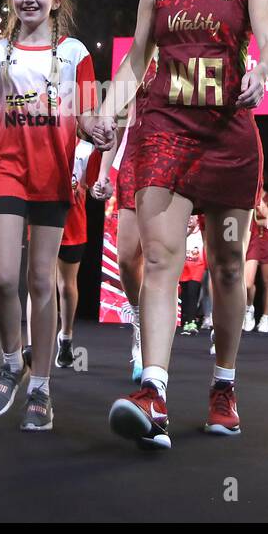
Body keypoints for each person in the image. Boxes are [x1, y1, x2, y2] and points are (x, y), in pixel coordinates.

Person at [95, 0, 268, 449]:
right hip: (165, 133)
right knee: (160, 259)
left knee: (228, 267)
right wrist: (107, 108)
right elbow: (135, 59)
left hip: (229, 140)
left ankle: (223, 389)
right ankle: (153, 393)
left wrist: (262, 71)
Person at [0, 0, 110, 432]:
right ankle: (12, 361)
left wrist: (99, 129)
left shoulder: (73, 53)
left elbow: (87, 114)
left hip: (52, 177)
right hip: (7, 172)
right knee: (4, 277)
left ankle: (42, 387)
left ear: (55, 0)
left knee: (40, 282)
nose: (29, 0)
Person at [92, 51, 159, 382]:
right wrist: (105, 171)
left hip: (175, 161)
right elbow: (118, 120)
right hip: (136, 159)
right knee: (126, 259)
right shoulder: (140, 56)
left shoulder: (192, 53)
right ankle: (138, 318)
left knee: (160, 259)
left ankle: (153, 357)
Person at [55, 138, 102, 369]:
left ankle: (66, 337)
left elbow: (92, 185)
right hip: (44, 219)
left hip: (72, 224)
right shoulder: (43, 139)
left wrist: (100, 186)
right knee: (40, 282)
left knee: (66, 285)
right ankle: (34, 345)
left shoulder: (85, 149)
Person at [244, 179, 268, 333]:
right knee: (247, 283)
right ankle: (248, 310)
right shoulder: (246, 192)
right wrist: (257, 220)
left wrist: (255, 220)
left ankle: (265, 318)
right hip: (250, 238)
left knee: (267, 281)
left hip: (266, 241)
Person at [178, 215, 207, 335]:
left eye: (193, 216)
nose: (190, 218)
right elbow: (178, 241)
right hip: (183, 267)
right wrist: (189, 230)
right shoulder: (182, 230)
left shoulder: (202, 231)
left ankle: (192, 321)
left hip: (197, 267)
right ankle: (185, 321)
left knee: (193, 293)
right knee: (184, 294)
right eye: (188, 216)